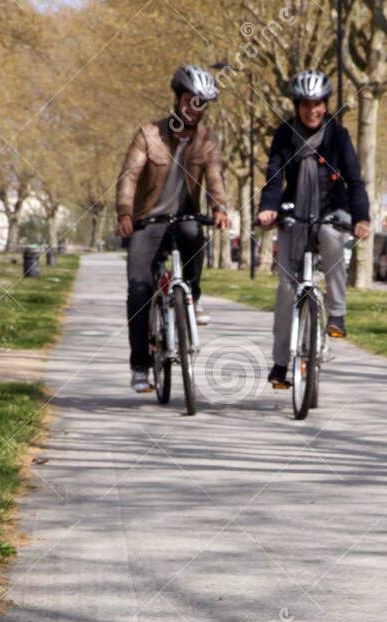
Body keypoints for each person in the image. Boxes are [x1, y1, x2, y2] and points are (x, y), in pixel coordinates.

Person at [116, 66, 230, 393]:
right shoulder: (148, 134)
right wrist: (125, 213)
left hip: (185, 219)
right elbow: (129, 177)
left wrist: (220, 207)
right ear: (177, 99)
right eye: (190, 101)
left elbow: (215, 177)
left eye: (202, 103)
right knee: (139, 290)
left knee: (196, 234)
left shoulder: (207, 140)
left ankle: (191, 297)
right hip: (147, 221)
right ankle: (140, 367)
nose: (195, 109)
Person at [257, 70, 370, 389]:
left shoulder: (338, 136)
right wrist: (268, 208)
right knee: (286, 288)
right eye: (305, 104)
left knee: (331, 237)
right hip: (294, 212)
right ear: (297, 106)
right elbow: (275, 177)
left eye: (317, 104)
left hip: (331, 210)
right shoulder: (284, 135)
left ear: (325, 104)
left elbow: (354, 181)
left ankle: (337, 315)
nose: (312, 111)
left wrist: (361, 217)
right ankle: (280, 363)